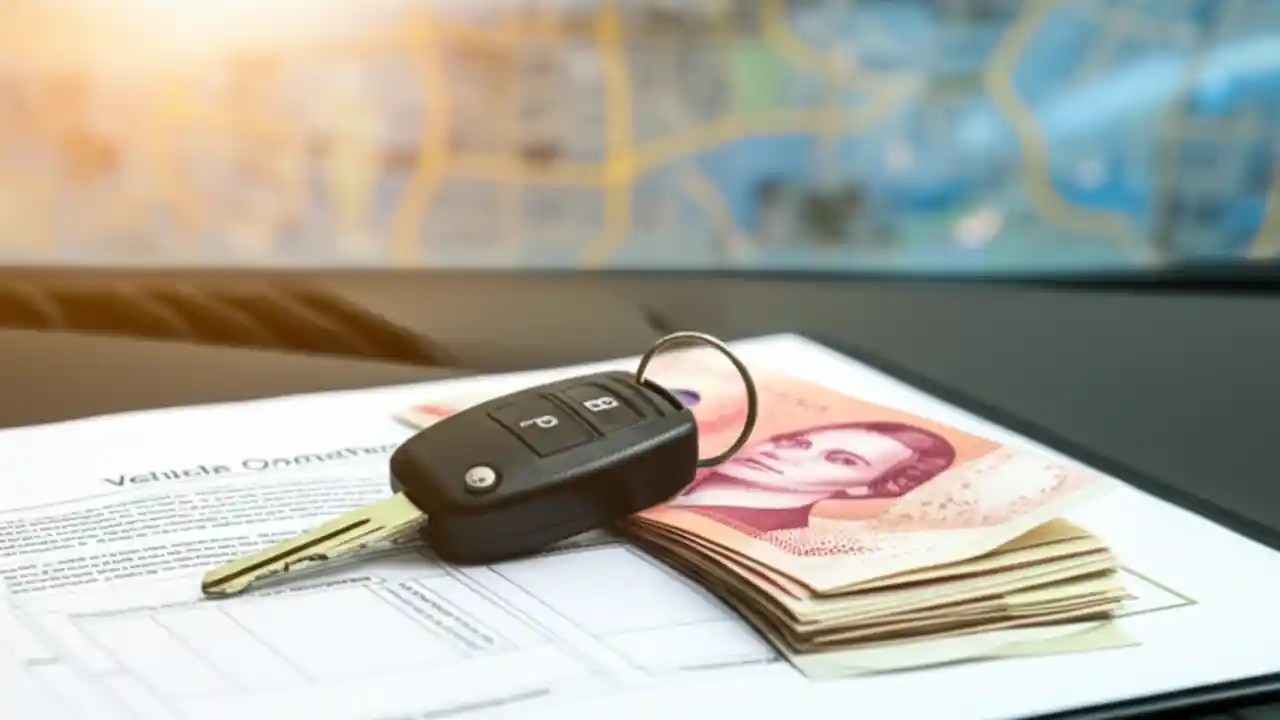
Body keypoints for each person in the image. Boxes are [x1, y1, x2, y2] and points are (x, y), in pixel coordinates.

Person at [667, 421, 956, 533]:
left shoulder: (776, 538)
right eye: (797, 441)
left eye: (843, 460)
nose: (785, 454)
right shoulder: (674, 470)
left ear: (864, 490)